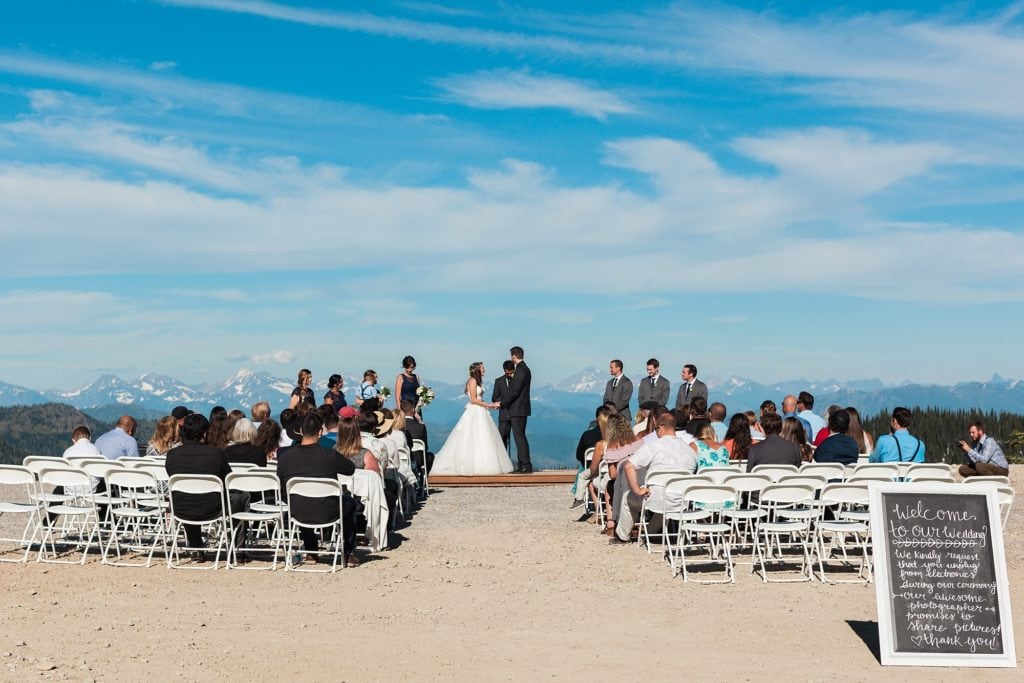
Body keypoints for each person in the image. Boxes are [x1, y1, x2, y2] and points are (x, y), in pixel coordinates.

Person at [276, 412, 360, 567]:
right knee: (349, 503)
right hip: (328, 510)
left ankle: (311, 552)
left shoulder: (285, 457)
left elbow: (281, 487)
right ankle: (348, 553)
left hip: (297, 511)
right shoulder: (329, 455)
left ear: (300, 431)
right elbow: (350, 469)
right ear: (321, 431)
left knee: (301, 499)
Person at [164, 414, 248, 559]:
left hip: (180, 508)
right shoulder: (216, 454)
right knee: (243, 497)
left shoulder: (172, 454)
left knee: (188, 496)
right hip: (212, 509)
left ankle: (196, 547)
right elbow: (228, 480)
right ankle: (238, 550)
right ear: (204, 433)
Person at [613, 413, 697, 544]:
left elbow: (629, 466)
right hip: (681, 500)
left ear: (660, 428)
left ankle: (623, 536)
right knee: (665, 504)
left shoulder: (653, 446)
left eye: (656, 429)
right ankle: (649, 533)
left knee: (627, 498)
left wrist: (637, 490)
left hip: (656, 497)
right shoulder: (690, 450)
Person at [432, 362, 514, 475]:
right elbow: (473, 400)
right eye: (482, 368)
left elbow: (478, 399)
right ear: (477, 370)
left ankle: (480, 464)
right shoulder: (473, 381)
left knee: (483, 437)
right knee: (473, 436)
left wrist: (488, 404)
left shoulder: (476, 381)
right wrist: (489, 405)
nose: (484, 370)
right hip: (475, 410)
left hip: (480, 410)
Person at [503, 346, 533, 473]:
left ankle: (525, 464)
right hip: (521, 408)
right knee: (520, 436)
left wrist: (503, 403)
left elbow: (515, 390)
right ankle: (524, 463)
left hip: (518, 409)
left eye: (511, 356)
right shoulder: (525, 369)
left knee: (519, 437)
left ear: (514, 356)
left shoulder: (521, 370)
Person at [492, 360, 516, 452]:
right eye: (507, 373)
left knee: (518, 438)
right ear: (504, 371)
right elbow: (494, 398)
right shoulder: (499, 381)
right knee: (502, 439)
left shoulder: (518, 380)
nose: (509, 375)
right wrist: (502, 403)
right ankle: (504, 461)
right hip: (504, 414)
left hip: (516, 413)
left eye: (511, 373)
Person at [602, 359, 633, 425]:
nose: (610, 369)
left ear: (618, 368)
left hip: (623, 417)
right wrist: (607, 410)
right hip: (610, 418)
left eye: (611, 367)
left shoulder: (627, 382)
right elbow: (605, 398)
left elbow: (625, 401)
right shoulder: (609, 383)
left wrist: (613, 411)